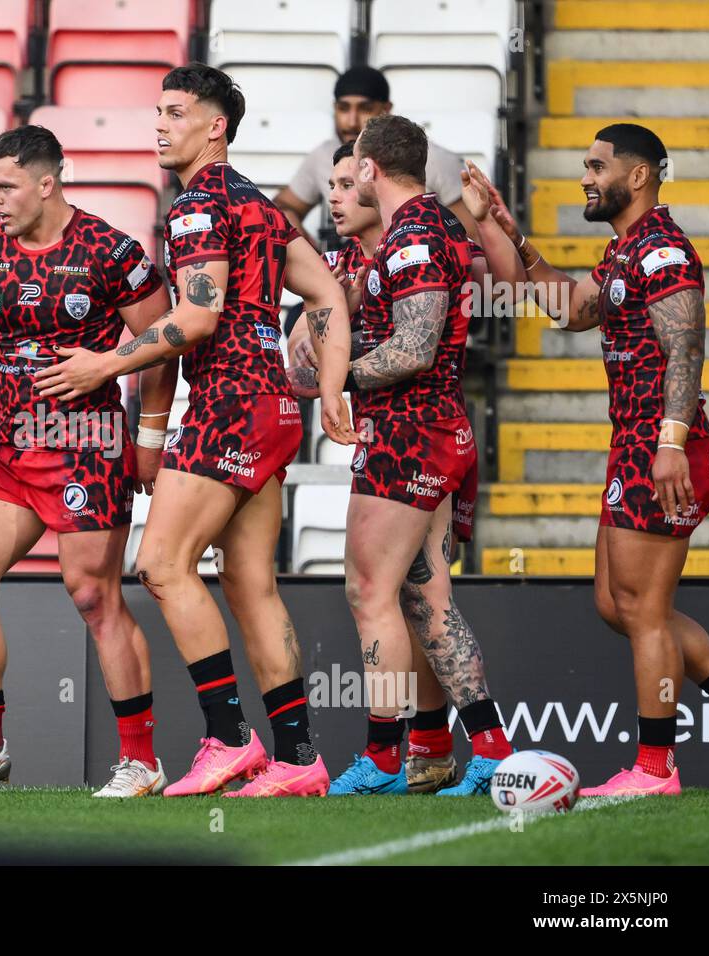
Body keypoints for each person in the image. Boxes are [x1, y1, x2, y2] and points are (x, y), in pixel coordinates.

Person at [34, 63, 354, 798]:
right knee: (250, 586)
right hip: (273, 407)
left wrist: (101, 365)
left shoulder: (199, 205)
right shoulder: (262, 206)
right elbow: (328, 291)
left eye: (176, 113)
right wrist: (329, 387)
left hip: (228, 403)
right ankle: (300, 757)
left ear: (216, 127)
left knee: (163, 565)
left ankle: (229, 738)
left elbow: (197, 318)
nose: (159, 124)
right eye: (157, 111)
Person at [0, 125, 172, 798]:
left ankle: (141, 762)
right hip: (11, 442)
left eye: (5, 186)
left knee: (93, 596)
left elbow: (162, 342)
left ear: (46, 183)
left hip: (89, 442)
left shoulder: (110, 251)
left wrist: (148, 440)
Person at [483, 123, 709, 796]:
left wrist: (671, 441)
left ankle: (654, 770)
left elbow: (687, 350)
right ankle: (655, 762)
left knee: (643, 609)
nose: (584, 176)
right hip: (635, 447)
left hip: (666, 448)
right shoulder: (624, 252)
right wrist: (507, 232)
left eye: (596, 165)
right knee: (618, 605)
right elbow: (573, 309)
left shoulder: (663, 250)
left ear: (637, 176)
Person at [324, 114, 514, 797]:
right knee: (426, 600)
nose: (344, 186)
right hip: (428, 433)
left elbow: (414, 349)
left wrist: (335, 381)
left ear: (372, 168)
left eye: (352, 172)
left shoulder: (412, 239)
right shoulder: (429, 229)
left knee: (369, 591)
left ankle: (380, 758)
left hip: (409, 434)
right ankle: (487, 749)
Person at [272, 66, 475, 246]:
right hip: (357, 277)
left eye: (365, 108)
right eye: (343, 108)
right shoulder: (323, 156)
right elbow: (282, 208)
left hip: (417, 268)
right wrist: (315, 262)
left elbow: (470, 238)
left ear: (386, 110)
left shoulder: (431, 158)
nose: (352, 121)